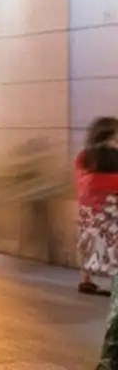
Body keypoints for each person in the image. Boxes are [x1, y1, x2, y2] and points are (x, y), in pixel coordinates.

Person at [77, 117, 118, 296]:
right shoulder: (111, 154)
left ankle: (86, 279)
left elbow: (80, 179)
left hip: (88, 206)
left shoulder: (84, 156)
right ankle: (110, 282)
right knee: (110, 242)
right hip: (109, 205)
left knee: (89, 242)